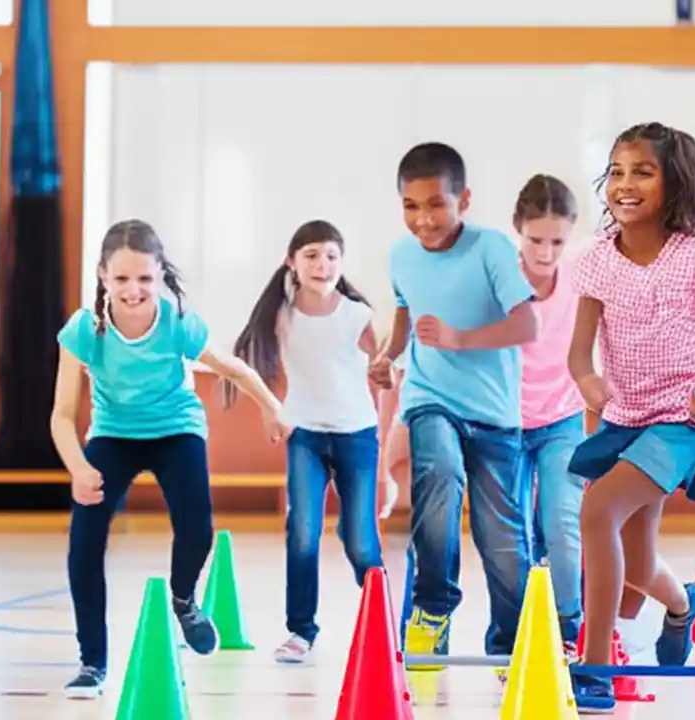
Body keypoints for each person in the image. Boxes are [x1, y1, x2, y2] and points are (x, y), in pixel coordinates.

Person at [50, 219, 287, 699]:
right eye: (121, 279)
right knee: (83, 543)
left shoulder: (177, 322)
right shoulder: (84, 330)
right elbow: (60, 415)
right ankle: (92, 662)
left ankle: (184, 600)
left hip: (176, 428)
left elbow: (231, 367)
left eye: (144, 279)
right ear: (102, 276)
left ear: (159, 277)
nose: (133, 290)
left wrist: (272, 407)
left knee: (197, 525)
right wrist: (78, 466)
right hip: (114, 433)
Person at [566, 121, 695, 712]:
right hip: (625, 417)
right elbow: (579, 349)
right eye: (617, 172)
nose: (625, 184)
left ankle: (592, 664)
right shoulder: (597, 261)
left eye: (642, 172)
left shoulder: (692, 258)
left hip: (681, 420)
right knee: (639, 559)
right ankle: (681, 604)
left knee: (597, 510)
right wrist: (588, 381)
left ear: (674, 186)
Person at [368, 141, 537, 664]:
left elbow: (526, 324)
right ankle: (433, 607)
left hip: (493, 413)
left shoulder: (490, 248)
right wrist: (389, 353)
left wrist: (459, 338)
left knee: (502, 538)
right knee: (437, 475)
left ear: (463, 199)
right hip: (429, 397)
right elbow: (404, 308)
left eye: (436, 204)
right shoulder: (400, 254)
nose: (423, 219)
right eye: (411, 206)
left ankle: (512, 641)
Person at [226, 219, 385, 664]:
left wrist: (390, 446)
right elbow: (249, 365)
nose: (322, 264)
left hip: (357, 434)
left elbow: (385, 374)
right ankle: (300, 630)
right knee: (302, 531)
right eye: (312, 255)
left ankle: (384, 622)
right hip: (306, 436)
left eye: (332, 256)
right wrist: (268, 409)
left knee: (360, 541)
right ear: (292, 262)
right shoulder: (281, 315)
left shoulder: (358, 316)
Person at [511, 173, 589, 646]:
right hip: (504, 423)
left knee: (562, 521)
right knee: (513, 533)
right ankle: (520, 633)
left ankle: (568, 627)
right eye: (535, 240)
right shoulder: (498, 274)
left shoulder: (580, 273)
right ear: (517, 230)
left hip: (561, 418)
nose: (545, 252)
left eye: (557, 241)